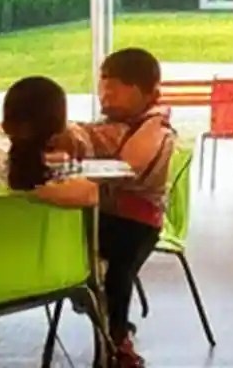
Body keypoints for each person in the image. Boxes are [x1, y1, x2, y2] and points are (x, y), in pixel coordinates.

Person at [58, 48, 174, 368]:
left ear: (147, 92)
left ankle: (118, 337)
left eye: (115, 89)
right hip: (103, 216)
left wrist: (67, 166)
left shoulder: (156, 128)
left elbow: (130, 166)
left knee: (119, 264)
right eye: (102, 87)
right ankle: (87, 292)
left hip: (137, 221)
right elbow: (88, 139)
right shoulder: (116, 124)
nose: (105, 96)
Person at [0, 76, 98, 289]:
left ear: (6, 125)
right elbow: (91, 194)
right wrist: (40, 192)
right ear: (60, 127)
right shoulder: (71, 177)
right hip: (61, 269)